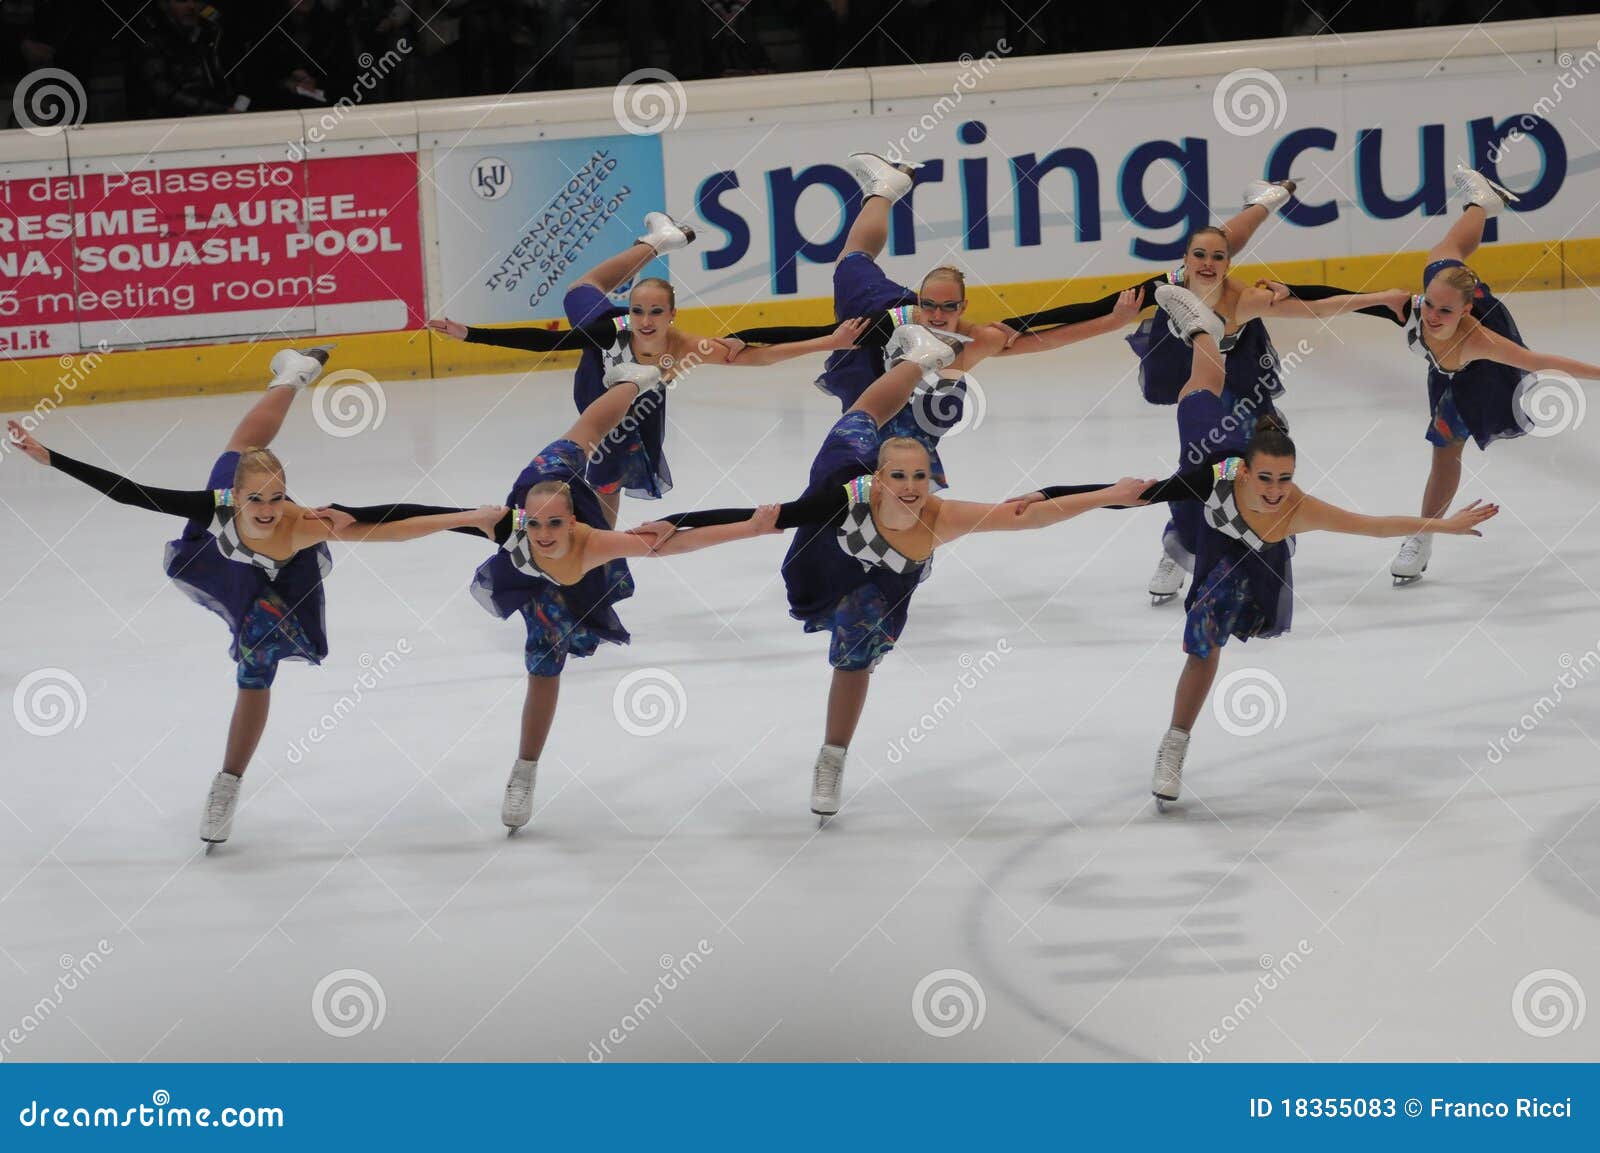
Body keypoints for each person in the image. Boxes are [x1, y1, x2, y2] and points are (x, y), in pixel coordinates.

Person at [643, 324, 1156, 817]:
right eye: (899, 476)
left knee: (856, 647)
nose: (912, 485)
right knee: (864, 413)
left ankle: (832, 757)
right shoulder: (844, 494)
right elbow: (753, 520)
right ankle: (919, 357)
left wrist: (1108, 495)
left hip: (878, 588)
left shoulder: (941, 517)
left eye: (920, 475)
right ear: (879, 480)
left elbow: (1028, 515)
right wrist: (672, 525)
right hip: (823, 556)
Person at [5, 350, 505, 846]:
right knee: (245, 443)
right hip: (225, 563)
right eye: (255, 499)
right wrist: (50, 458)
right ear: (235, 497)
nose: (267, 509)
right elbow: (129, 492)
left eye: (275, 497)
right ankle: (292, 375)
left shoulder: (303, 524)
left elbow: (392, 523)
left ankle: (227, 782)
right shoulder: (218, 504)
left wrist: (468, 518)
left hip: (283, 578)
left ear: (287, 494)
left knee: (256, 665)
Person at [1036, 286, 1498, 803]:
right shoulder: (1217, 473)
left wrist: (1442, 527)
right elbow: (1129, 497)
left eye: (1284, 478)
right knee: (1197, 394)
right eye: (1267, 479)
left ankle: (1205, 330)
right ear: (1246, 470)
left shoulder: (1298, 506)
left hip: (1249, 556)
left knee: (1211, 627)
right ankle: (1202, 329)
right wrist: (1046, 499)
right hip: (1210, 476)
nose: (1276, 491)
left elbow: (1372, 526)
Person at [429, 212, 866, 526]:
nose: (646, 320)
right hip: (593, 383)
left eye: (656, 312)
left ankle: (601, 550)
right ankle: (658, 242)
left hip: (632, 410)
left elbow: (756, 354)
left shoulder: (685, 348)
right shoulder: (610, 329)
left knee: (608, 474)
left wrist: (830, 341)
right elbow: (545, 342)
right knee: (580, 290)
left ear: (672, 314)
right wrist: (470, 333)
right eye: (639, 311)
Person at [1280, 167, 1600, 584]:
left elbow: (1537, 361)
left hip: (1480, 375)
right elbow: (1338, 300)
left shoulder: (1482, 341)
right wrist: (1288, 288)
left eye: (1444, 311)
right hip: (1446, 349)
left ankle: (1420, 534)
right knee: (1445, 250)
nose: (1431, 317)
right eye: (1430, 305)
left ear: (1465, 311)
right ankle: (1481, 202)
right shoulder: (1413, 305)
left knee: (1446, 447)